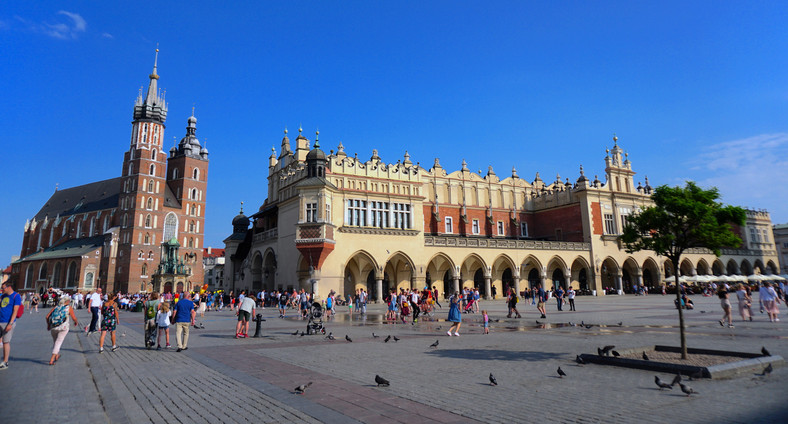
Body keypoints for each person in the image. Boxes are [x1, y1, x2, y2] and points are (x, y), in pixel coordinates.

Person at [46, 296, 79, 365]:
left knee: (56, 342)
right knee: (58, 342)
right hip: (63, 327)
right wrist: (76, 322)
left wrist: (48, 325)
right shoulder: (69, 308)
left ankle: (57, 355)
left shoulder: (56, 307)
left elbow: (47, 316)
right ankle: (52, 359)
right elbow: (74, 318)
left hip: (54, 327)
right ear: (67, 302)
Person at [0, 282, 23, 369]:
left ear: (9, 287)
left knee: (6, 341)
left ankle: (5, 362)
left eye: (4, 288)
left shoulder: (16, 296)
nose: (2, 290)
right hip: (0, 320)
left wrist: (10, 323)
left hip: (7, 322)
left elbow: (15, 311)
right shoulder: (3, 296)